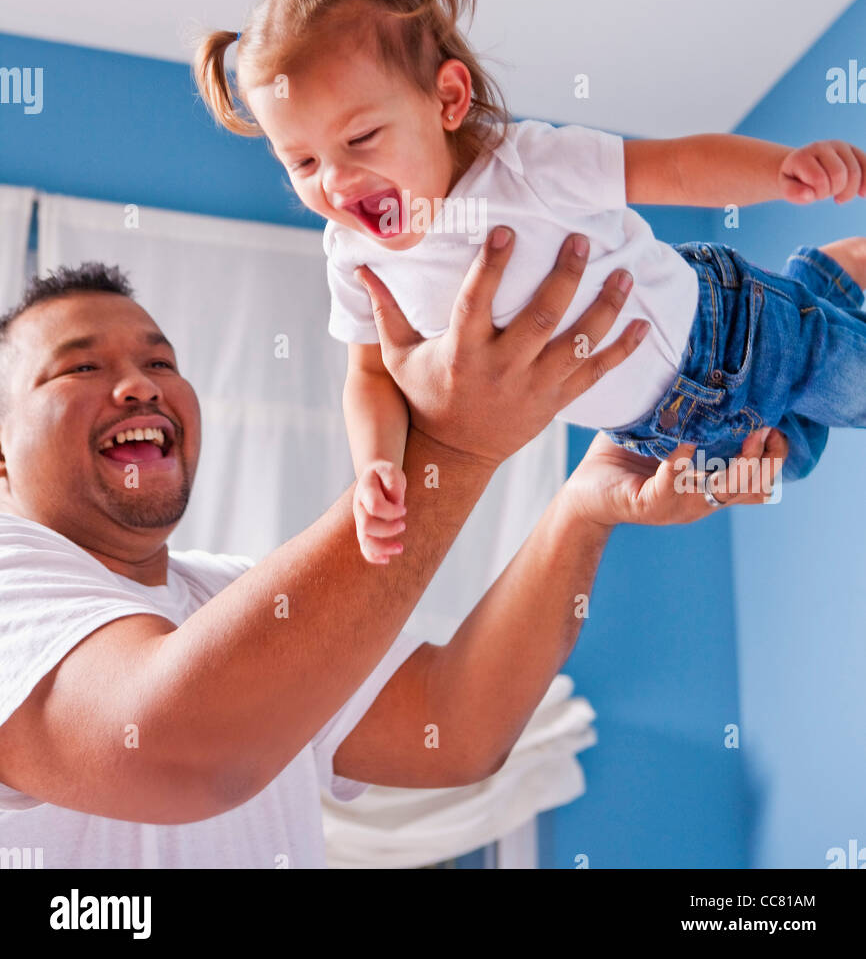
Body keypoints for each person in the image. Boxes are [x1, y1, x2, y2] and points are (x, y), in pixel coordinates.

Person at [0, 231, 783, 869]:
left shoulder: (231, 600)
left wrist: (582, 508)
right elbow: (179, 748)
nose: (140, 386)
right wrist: (459, 445)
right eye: (81, 367)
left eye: (160, 362)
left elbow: (456, 726)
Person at [193, 0, 866, 564]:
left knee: (850, 388)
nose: (336, 183)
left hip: (732, 335)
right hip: (661, 432)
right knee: (791, 459)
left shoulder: (521, 165)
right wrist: (376, 466)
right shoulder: (352, 255)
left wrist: (781, 169)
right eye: (303, 163)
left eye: (362, 137)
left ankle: (808, 301)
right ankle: (821, 280)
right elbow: (368, 374)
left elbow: (675, 170)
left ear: (447, 99)